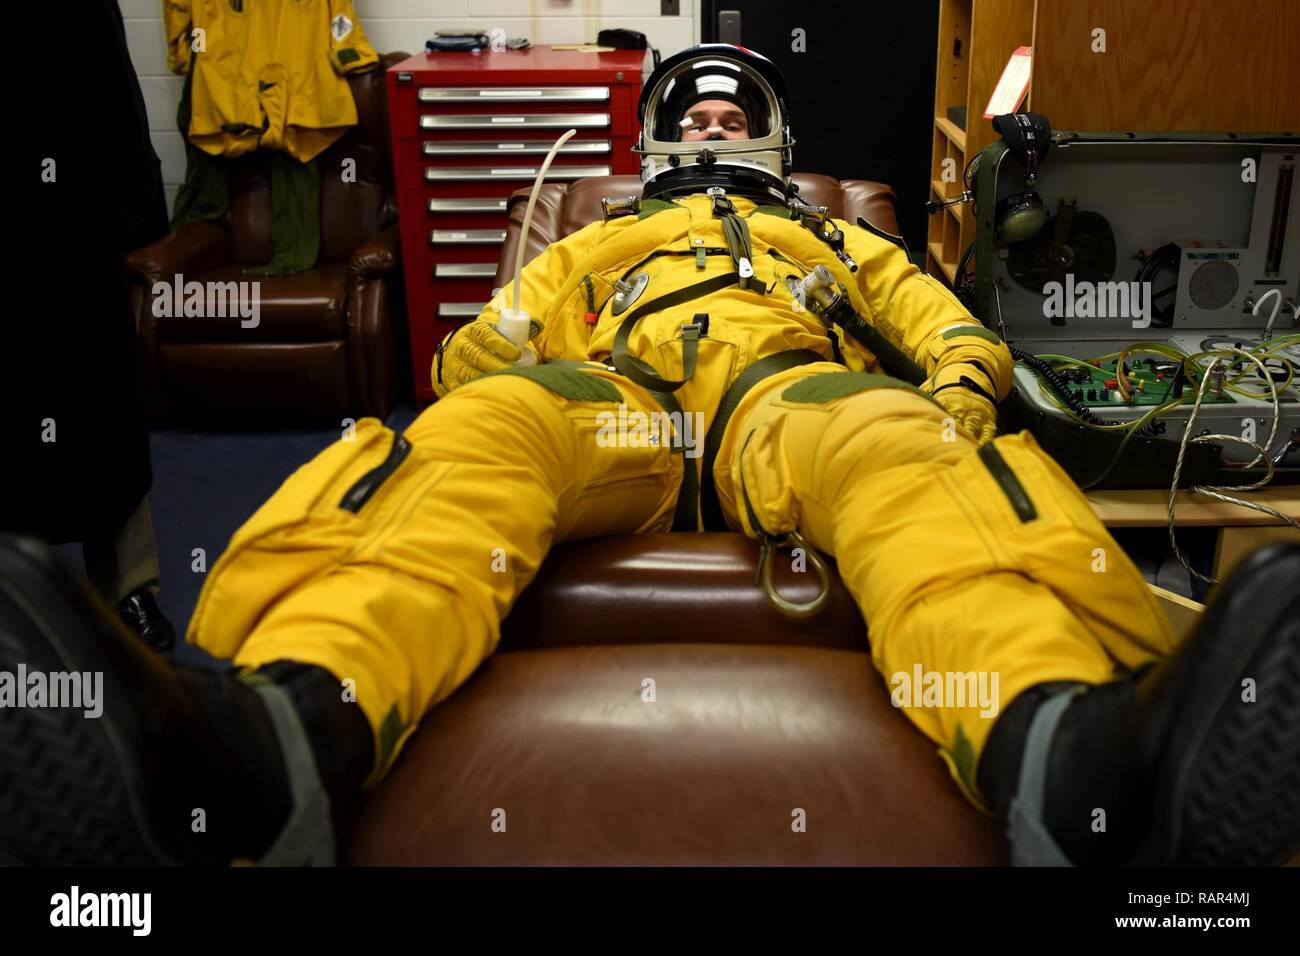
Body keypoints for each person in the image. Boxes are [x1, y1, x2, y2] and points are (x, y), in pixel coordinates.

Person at [2, 45, 1296, 867]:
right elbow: (476, 356)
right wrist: (518, 376)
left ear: (769, 143)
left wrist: (948, 403)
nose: (720, 125)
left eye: (739, 111)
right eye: (703, 113)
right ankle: (272, 738)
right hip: (616, 403)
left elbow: (939, 329)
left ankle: (1071, 762)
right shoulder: (597, 242)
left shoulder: (833, 242)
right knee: (469, 441)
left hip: (789, 396)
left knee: (902, 446)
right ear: (670, 146)